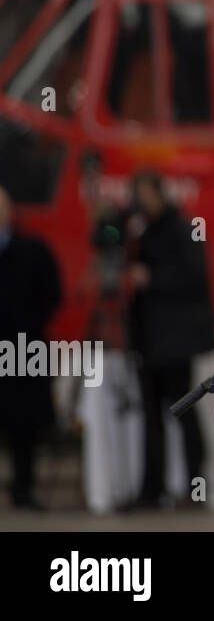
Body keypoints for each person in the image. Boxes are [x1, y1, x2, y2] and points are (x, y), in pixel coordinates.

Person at [123, 170, 214, 509]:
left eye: (146, 194)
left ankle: (195, 489)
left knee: (184, 412)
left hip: (176, 342)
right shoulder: (140, 230)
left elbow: (194, 279)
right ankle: (152, 490)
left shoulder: (184, 229)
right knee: (150, 417)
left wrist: (152, 278)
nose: (141, 203)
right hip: (147, 339)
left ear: (161, 194)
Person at [0, 184, 61, 511]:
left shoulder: (33, 250)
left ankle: (23, 490)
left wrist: (28, 325)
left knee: (24, 424)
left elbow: (52, 294)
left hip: (24, 349)